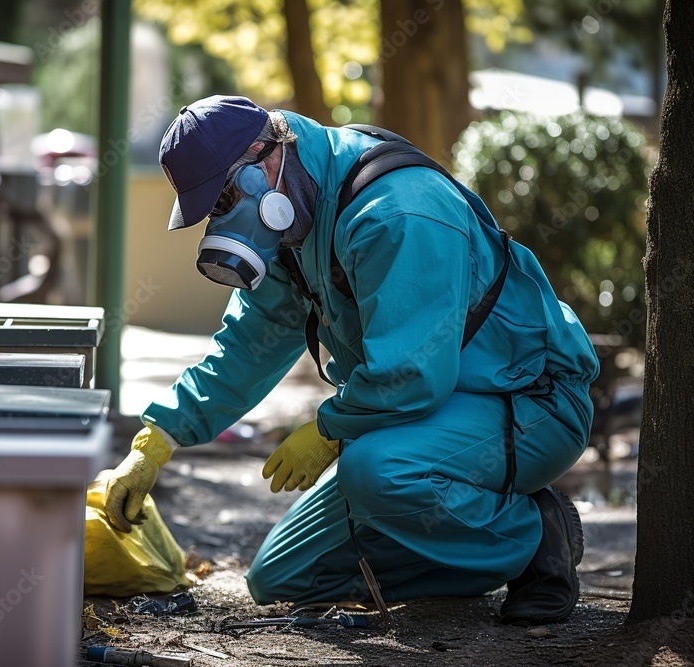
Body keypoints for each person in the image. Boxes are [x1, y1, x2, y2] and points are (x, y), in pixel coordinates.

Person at [102, 95, 599, 625]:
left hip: (528, 401)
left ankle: (537, 535)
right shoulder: (292, 225)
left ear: (263, 155)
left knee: (376, 471)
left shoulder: (397, 212)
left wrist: (328, 430)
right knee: (283, 577)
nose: (223, 220)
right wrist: (157, 439)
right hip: (419, 415)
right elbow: (249, 345)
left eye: (223, 199)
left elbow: (412, 374)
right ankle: (471, 544)